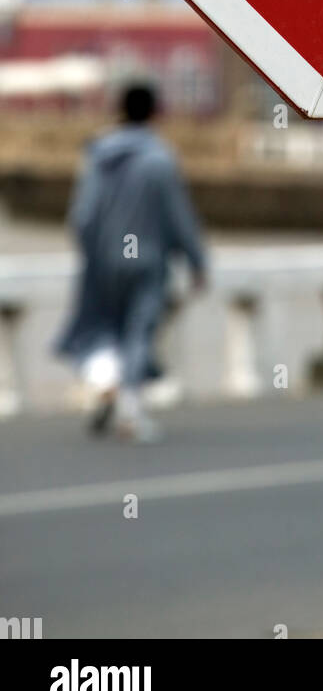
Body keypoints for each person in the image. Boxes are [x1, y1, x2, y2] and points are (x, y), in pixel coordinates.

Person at [56, 83, 206, 441]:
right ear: (154, 112)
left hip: (106, 260)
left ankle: (105, 381)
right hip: (147, 260)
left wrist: (91, 253)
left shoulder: (98, 156)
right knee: (139, 332)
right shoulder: (160, 159)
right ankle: (130, 409)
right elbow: (178, 217)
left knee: (101, 327)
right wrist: (197, 261)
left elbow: (82, 217)